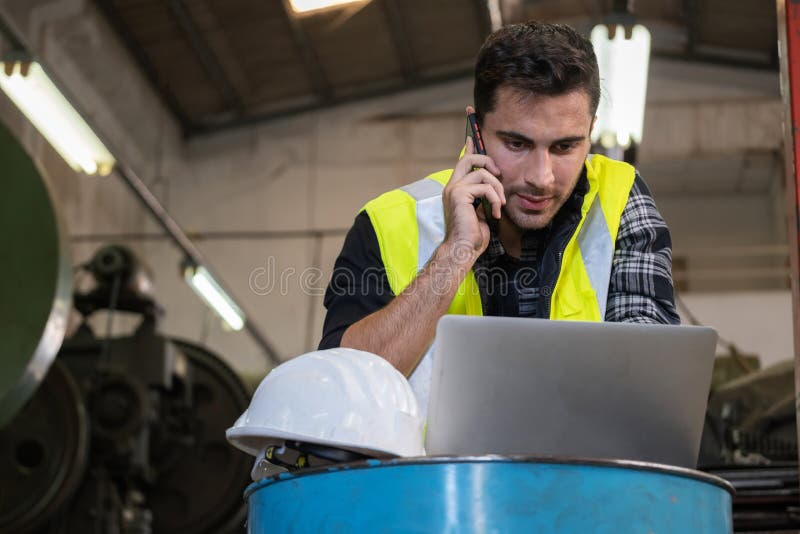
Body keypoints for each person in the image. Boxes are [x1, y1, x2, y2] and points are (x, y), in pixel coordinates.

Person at [319, 21, 680, 413]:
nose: (541, 178)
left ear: (591, 132)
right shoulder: (387, 221)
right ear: (476, 129)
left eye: (564, 147)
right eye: (517, 144)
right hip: (427, 476)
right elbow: (343, 395)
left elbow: (647, 381)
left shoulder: (620, 196)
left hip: (575, 474)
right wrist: (454, 253)